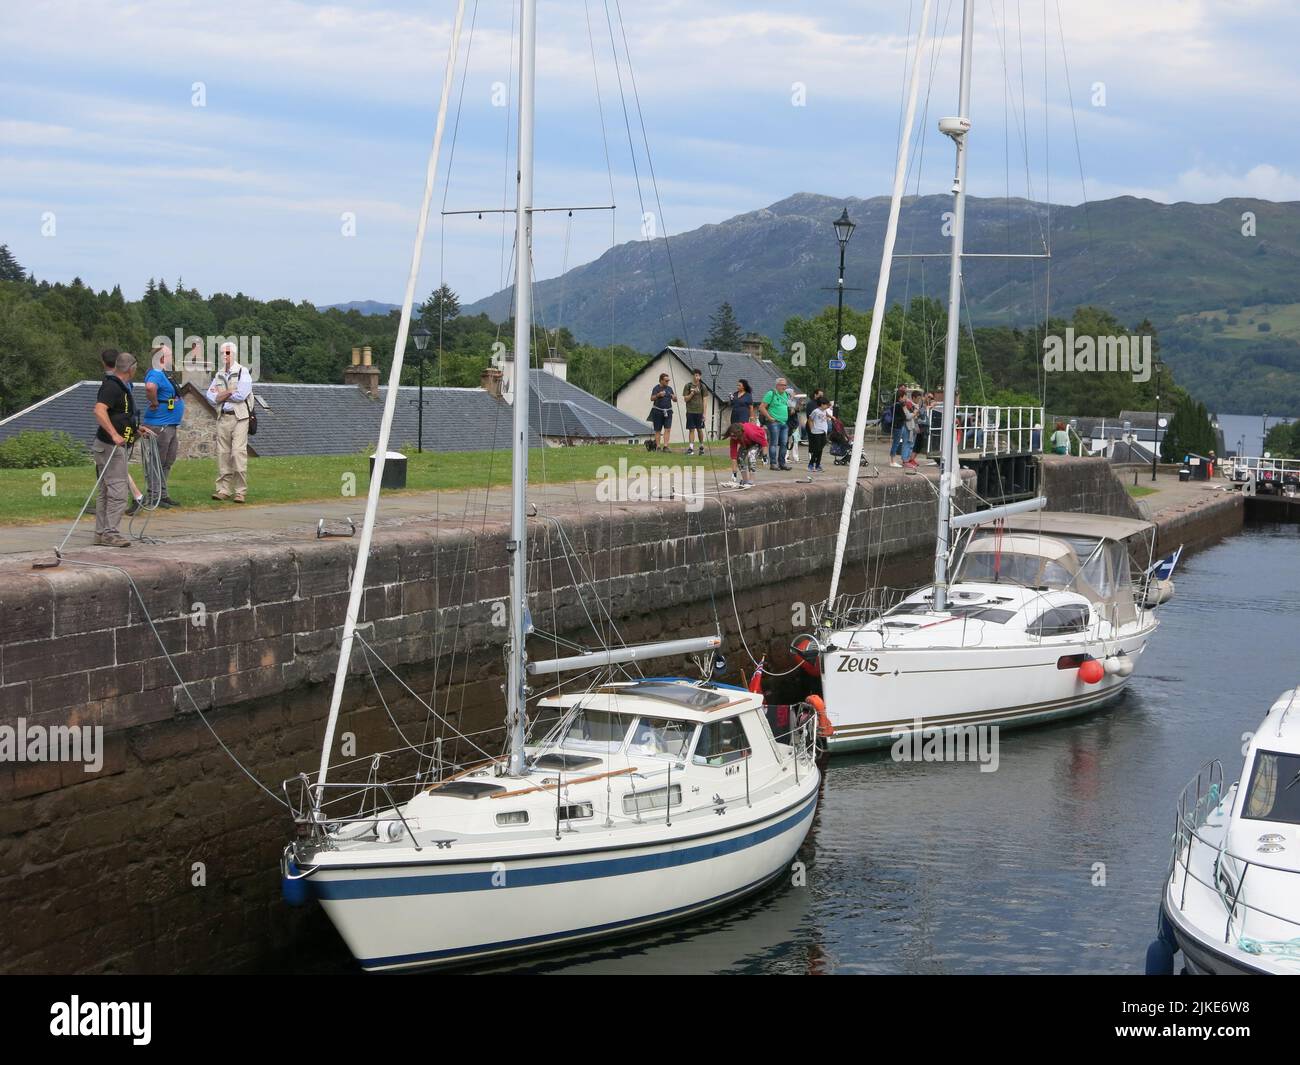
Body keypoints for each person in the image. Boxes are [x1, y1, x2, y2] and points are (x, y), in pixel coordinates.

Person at [92, 352, 153, 547]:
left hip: (112, 445)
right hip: (110, 446)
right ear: (131, 369)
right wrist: (114, 434)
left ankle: (101, 533)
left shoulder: (120, 386)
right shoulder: (112, 386)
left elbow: (120, 414)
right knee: (118, 491)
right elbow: (99, 410)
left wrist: (136, 429)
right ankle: (110, 533)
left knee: (105, 490)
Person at [206, 342, 253, 502]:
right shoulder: (219, 374)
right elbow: (210, 396)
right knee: (223, 454)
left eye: (227, 353)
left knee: (238, 453)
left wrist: (221, 394)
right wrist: (228, 392)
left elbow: (241, 395)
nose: (224, 356)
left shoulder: (243, 372)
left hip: (240, 417)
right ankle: (223, 490)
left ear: (233, 354)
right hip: (223, 416)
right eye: (222, 353)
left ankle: (240, 491)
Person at [143, 343, 184, 507]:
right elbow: (150, 387)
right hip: (160, 423)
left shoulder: (167, 375)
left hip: (170, 423)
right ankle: (154, 494)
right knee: (157, 460)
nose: (172, 358)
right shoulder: (156, 373)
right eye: (169, 355)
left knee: (168, 460)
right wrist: (154, 403)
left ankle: (162, 493)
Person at [759, 377, 791, 471]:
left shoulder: (786, 395)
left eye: (785, 385)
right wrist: (769, 418)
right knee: (774, 443)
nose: (784, 387)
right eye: (782, 385)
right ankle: (773, 464)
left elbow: (787, 407)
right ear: (777, 385)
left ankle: (782, 463)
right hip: (774, 422)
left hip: (784, 423)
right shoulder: (771, 393)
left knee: (784, 443)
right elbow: (762, 407)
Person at [889, 385, 917, 469]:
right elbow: (905, 417)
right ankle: (892, 461)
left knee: (897, 443)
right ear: (900, 397)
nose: (906, 398)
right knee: (896, 443)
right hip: (898, 426)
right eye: (905, 397)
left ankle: (893, 460)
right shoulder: (899, 405)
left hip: (898, 426)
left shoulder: (897, 405)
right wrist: (914, 413)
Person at [682, 368, 706, 456]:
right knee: (691, 429)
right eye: (696, 375)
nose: (697, 377)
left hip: (699, 411)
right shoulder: (688, 386)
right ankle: (691, 448)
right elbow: (685, 399)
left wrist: (704, 413)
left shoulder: (703, 387)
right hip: (690, 411)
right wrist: (692, 393)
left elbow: (705, 400)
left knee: (699, 429)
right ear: (693, 376)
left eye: (699, 376)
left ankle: (701, 446)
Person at [649, 372, 675, 452]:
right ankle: (658, 446)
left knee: (667, 429)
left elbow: (675, 399)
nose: (667, 382)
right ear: (661, 380)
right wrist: (658, 395)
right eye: (666, 380)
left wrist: (674, 398)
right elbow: (652, 398)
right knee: (658, 430)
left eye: (668, 380)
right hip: (658, 411)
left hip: (668, 411)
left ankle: (666, 446)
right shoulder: (656, 388)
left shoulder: (669, 389)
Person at [807, 395, 830, 472]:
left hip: (823, 432)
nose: (827, 406)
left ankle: (817, 464)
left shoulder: (824, 411)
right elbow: (810, 419)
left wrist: (831, 417)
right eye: (826, 404)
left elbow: (826, 416)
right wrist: (811, 429)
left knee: (820, 449)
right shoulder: (815, 411)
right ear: (822, 404)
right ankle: (811, 464)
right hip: (816, 432)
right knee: (817, 449)